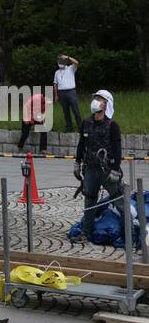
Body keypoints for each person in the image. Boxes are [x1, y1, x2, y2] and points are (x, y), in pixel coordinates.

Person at [75, 90, 122, 244]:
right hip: (90, 169)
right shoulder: (86, 123)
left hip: (107, 170)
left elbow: (117, 149)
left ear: (106, 104)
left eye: (99, 99)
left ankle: (131, 233)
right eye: (95, 98)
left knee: (119, 200)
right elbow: (81, 144)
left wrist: (115, 169)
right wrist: (77, 162)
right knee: (89, 201)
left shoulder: (112, 125)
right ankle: (86, 233)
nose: (95, 101)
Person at [53, 53, 81, 131]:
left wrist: (67, 57)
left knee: (75, 110)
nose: (60, 63)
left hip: (71, 92)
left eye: (62, 61)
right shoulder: (57, 72)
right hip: (61, 93)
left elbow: (77, 62)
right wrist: (56, 95)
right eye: (59, 61)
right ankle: (69, 127)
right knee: (65, 111)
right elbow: (55, 84)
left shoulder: (71, 68)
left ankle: (80, 127)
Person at [18, 89, 50, 154]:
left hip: (36, 117)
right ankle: (20, 147)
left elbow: (44, 111)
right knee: (25, 134)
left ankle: (42, 149)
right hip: (28, 116)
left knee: (44, 131)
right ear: (43, 97)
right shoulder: (35, 98)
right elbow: (25, 107)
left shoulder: (47, 102)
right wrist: (25, 118)